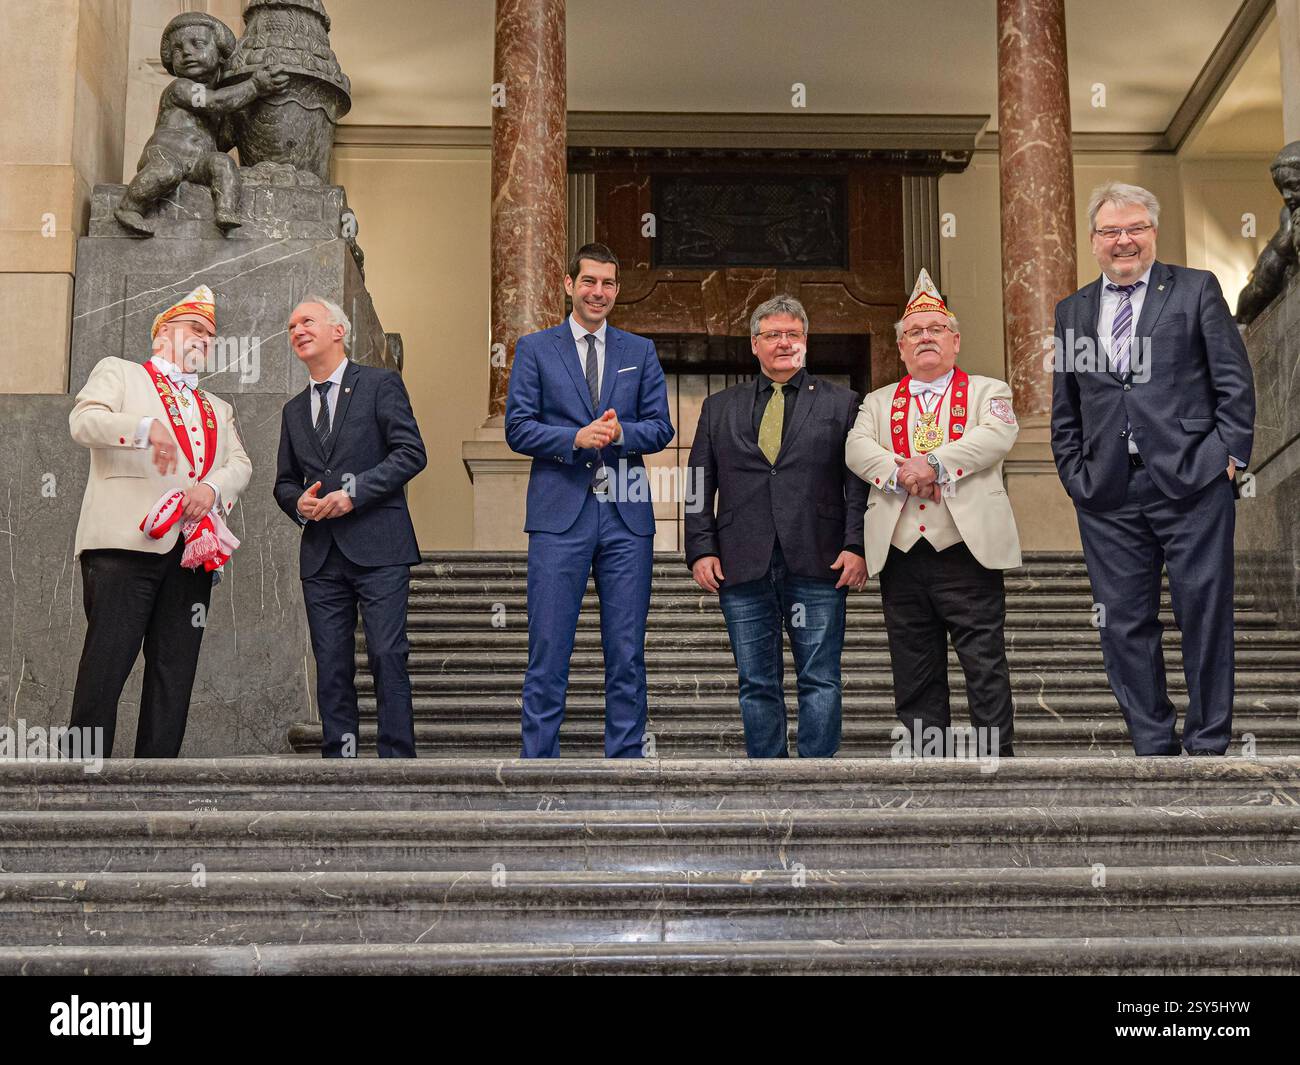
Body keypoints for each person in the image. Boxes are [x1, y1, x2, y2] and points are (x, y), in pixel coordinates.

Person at [1051, 182, 1255, 756]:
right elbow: (1067, 406)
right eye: (1111, 231)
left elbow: (1234, 382)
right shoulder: (1072, 310)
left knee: (1204, 614)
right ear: (1093, 241)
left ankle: (1209, 741)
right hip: (1108, 493)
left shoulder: (1194, 290)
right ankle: (1152, 744)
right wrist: (1075, 475)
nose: (1124, 240)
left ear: (1152, 232)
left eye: (1135, 227)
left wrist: (1230, 459)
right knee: (1121, 624)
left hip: (1193, 482)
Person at [505, 242, 674, 758]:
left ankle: (624, 758)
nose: (598, 292)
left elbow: (661, 426)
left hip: (626, 518)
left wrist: (621, 435)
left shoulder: (638, 351)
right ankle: (539, 763)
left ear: (617, 290)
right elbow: (517, 428)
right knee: (548, 648)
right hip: (559, 518)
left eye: (607, 284)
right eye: (589, 282)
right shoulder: (535, 348)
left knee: (626, 651)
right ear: (568, 285)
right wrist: (572, 440)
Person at [68, 284, 252, 756]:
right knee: (106, 665)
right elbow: (84, 422)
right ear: (161, 335)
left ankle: (157, 781)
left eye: (210, 334)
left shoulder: (218, 407)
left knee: (175, 671)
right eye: (195, 328)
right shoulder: (121, 373)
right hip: (123, 545)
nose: (205, 340)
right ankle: (80, 782)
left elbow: (240, 464)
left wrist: (210, 489)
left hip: (192, 553)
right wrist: (145, 429)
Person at [846, 270, 1020, 757]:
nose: (925, 337)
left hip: (967, 550)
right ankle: (928, 764)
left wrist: (935, 463)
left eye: (935, 330)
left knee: (983, 662)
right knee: (914, 665)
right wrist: (901, 472)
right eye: (914, 333)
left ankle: (995, 764)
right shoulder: (877, 402)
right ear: (901, 347)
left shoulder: (992, 391)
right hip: (902, 554)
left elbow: (994, 438)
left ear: (956, 340)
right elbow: (857, 448)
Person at [686, 294, 868, 758]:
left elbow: (858, 485)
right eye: (773, 335)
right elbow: (696, 483)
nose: (784, 343)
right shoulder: (719, 407)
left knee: (820, 676)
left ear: (805, 341)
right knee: (755, 680)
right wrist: (701, 548)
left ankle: (816, 779)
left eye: (793, 334)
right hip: (741, 561)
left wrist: (857, 545)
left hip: (820, 557)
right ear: (754, 344)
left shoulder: (843, 404)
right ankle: (766, 776)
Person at [273, 297, 427, 758]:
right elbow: (283, 481)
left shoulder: (380, 385)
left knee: (385, 653)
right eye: (291, 326)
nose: (296, 329)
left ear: (338, 331)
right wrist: (298, 503)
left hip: (380, 546)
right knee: (332, 663)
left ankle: (397, 762)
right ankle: (339, 764)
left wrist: (354, 493)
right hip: (321, 554)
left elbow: (411, 453)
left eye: (307, 321)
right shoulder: (293, 410)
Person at [115, 12, 288, 236]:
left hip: (197, 162)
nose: (186, 52)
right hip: (166, 154)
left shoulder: (219, 101)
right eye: (178, 49)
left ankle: (226, 212)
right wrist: (254, 86)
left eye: (197, 44)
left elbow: (223, 137)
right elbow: (215, 102)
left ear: (221, 54)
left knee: (222, 163)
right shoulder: (182, 87)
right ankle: (129, 207)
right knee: (167, 172)